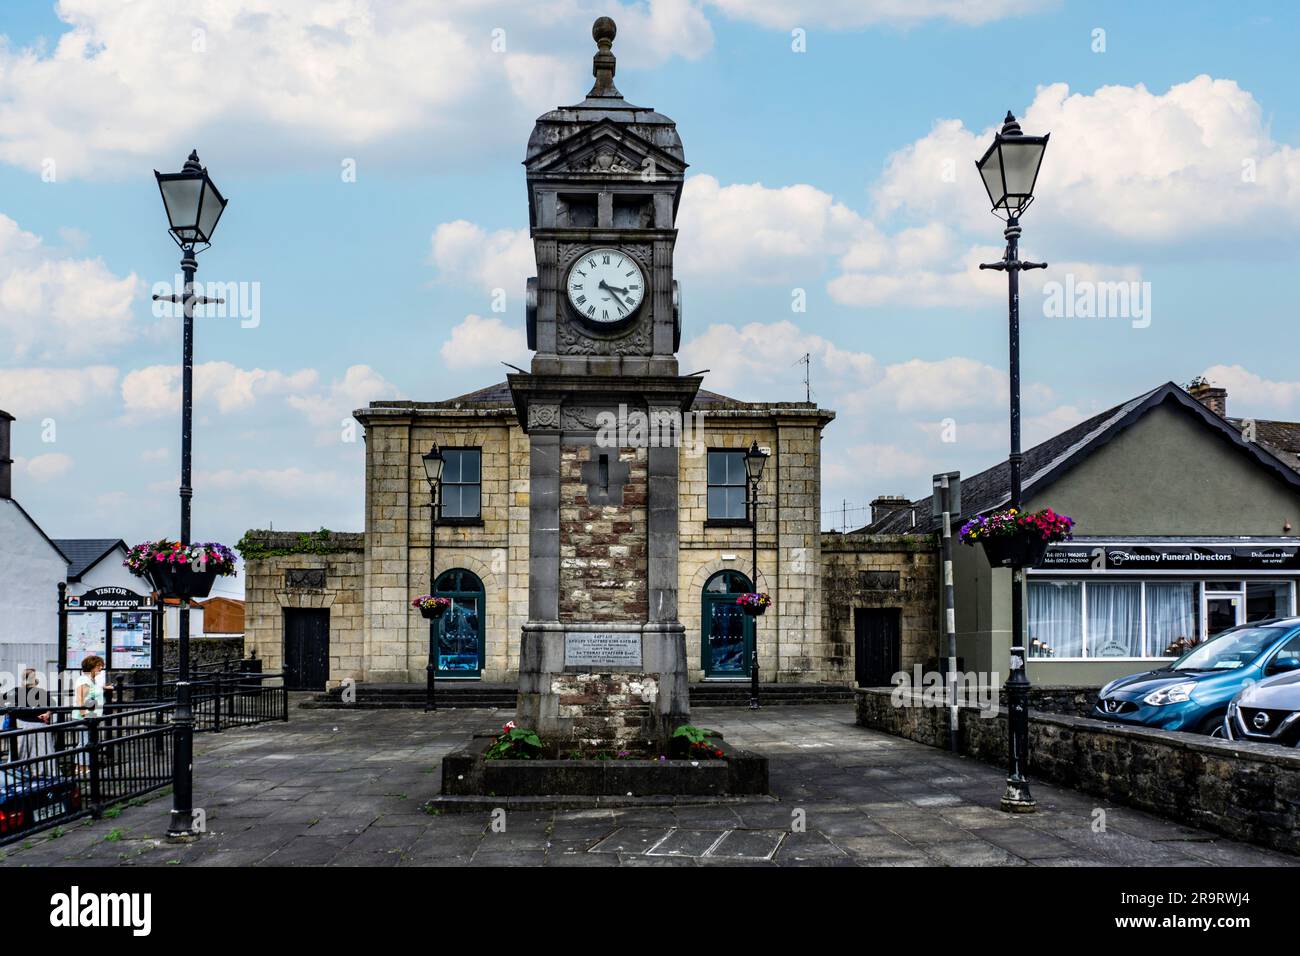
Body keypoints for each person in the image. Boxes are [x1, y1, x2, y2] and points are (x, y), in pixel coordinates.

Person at [72, 656, 111, 774]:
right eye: (98, 665)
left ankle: (82, 766)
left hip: (92, 716)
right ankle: (82, 767)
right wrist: (85, 715)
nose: (101, 667)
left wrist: (104, 687)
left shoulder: (91, 680)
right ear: (91, 667)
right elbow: (80, 699)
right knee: (85, 742)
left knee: (86, 741)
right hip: (86, 717)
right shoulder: (84, 680)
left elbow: (93, 691)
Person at [7, 669, 53, 762]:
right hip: (39, 726)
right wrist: (47, 714)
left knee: (19, 752)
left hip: (21, 726)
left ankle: (17, 767)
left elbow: (5, 702)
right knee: (42, 753)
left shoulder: (16, 691)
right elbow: (52, 705)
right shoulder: (42, 692)